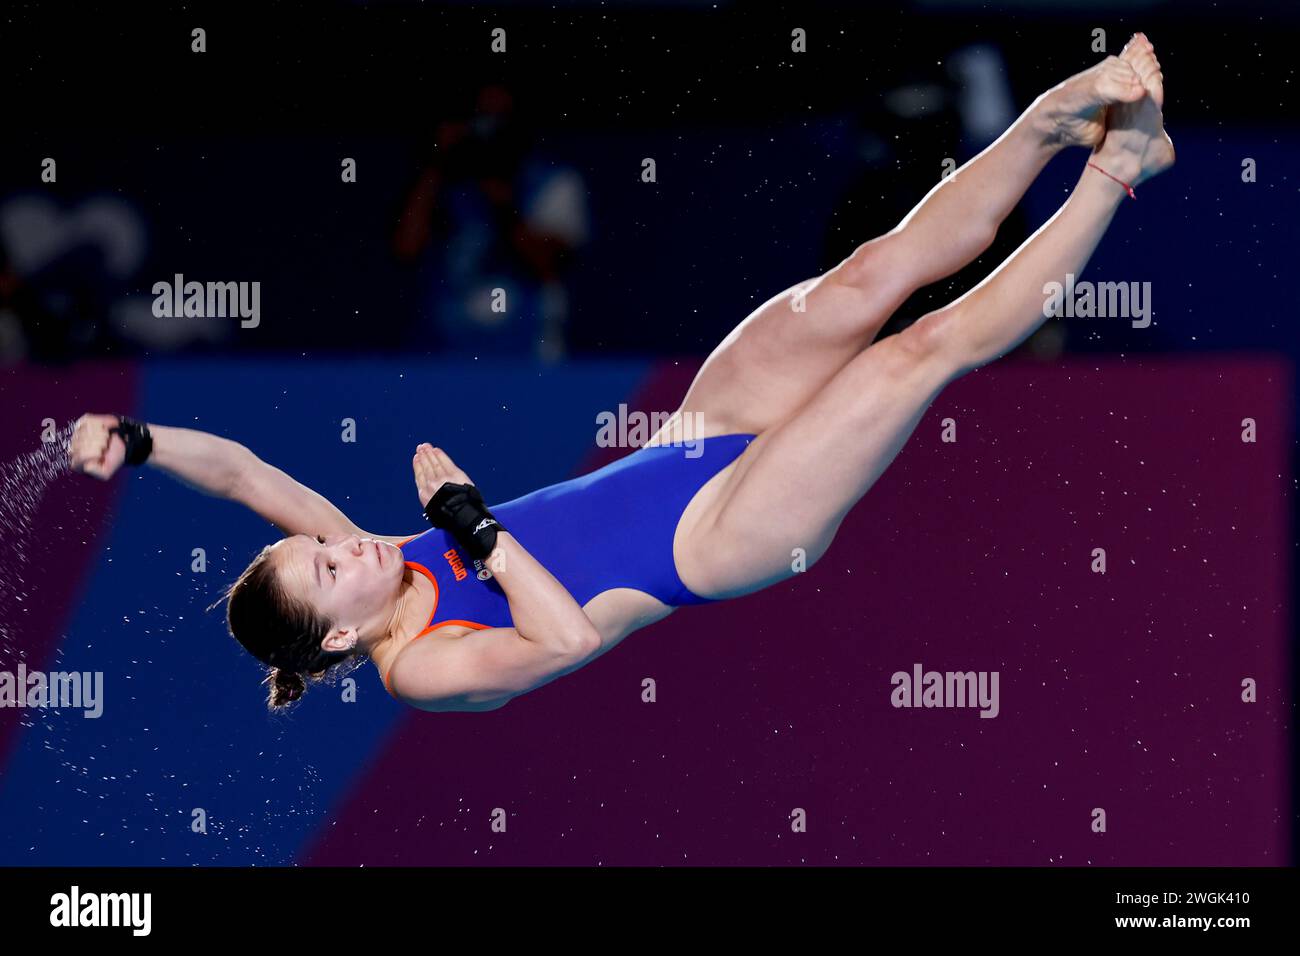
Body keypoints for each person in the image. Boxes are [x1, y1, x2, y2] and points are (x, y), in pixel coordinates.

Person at [69, 38, 1172, 714]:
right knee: (915, 351)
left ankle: (1045, 119)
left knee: (862, 280)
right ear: (341, 634)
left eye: (315, 542)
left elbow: (244, 471)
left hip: (685, 439)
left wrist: (141, 438)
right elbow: (565, 641)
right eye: (327, 569)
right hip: (718, 535)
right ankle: (1112, 171)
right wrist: (473, 527)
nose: (338, 544)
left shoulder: (384, 557)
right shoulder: (418, 666)